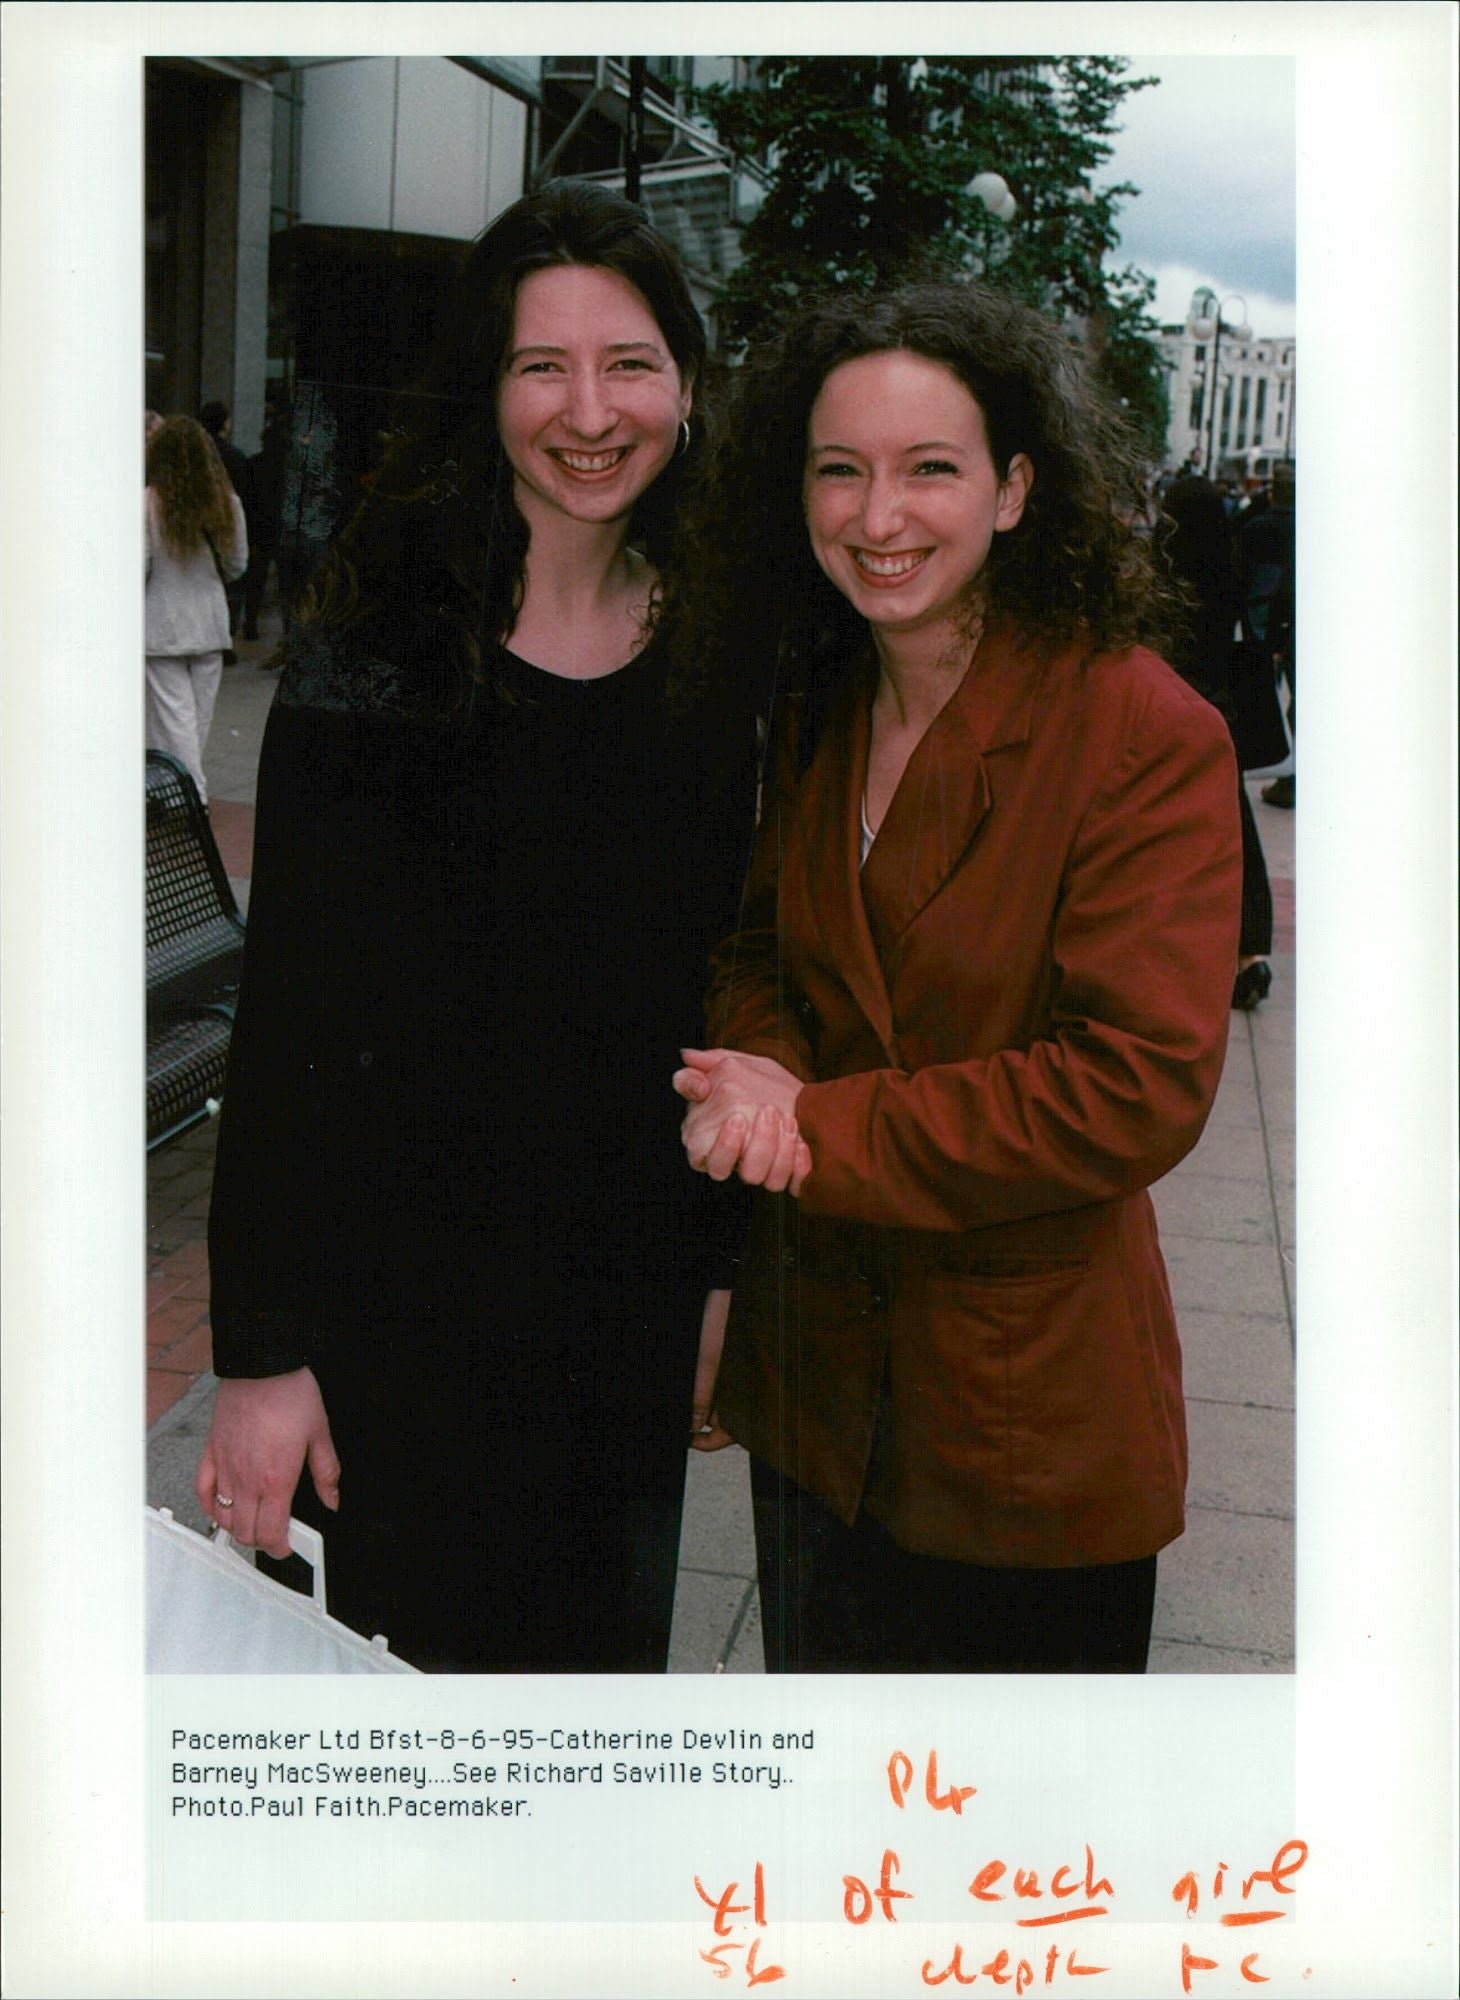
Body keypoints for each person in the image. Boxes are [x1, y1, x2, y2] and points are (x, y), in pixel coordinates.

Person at [199, 180, 752, 1673]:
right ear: (484, 390)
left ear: (687, 389)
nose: (591, 411)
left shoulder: (717, 660)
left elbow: (719, 999)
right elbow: (296, 1022)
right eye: (541, 366)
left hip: (622, 1317)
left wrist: (716, 1277)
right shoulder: (377, 656)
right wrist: (258, 1356)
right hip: (404, 1333)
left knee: (587, 1738)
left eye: (629, 364)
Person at [672, 282, 1242, 1674]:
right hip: (821, 1406)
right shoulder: (821, 698)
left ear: (1015, 489)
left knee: (1004, 1866)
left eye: (932, 468)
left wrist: (812, 1127)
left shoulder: (1137, 729)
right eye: (840, 470)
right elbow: (761, 948)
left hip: (1020, 1428)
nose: (880, 518)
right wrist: (753, 1088)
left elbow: (1134, 1087)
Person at [1158, 472, 1276, 1008]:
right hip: (1219, 713)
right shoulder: (1226, 564)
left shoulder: (1161, 573)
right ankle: (1251, 950)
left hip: (1168, 713)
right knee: (1238, 830)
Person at [145, 415, 247, 803]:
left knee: (173, 721)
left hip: (161, 627)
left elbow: (137, 568)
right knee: (194, 722)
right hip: (209, 625)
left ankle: (190, 798)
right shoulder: (227, 503)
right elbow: (237, 565)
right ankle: (171, 793)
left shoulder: (147, 505)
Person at [1236, 462, 1296, 808]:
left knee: (1263, 695)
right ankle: (1291, 774)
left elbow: (1240, 579)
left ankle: (1269, 759)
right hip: (1299, 620)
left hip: (1261, 619)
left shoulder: (1255, 528)